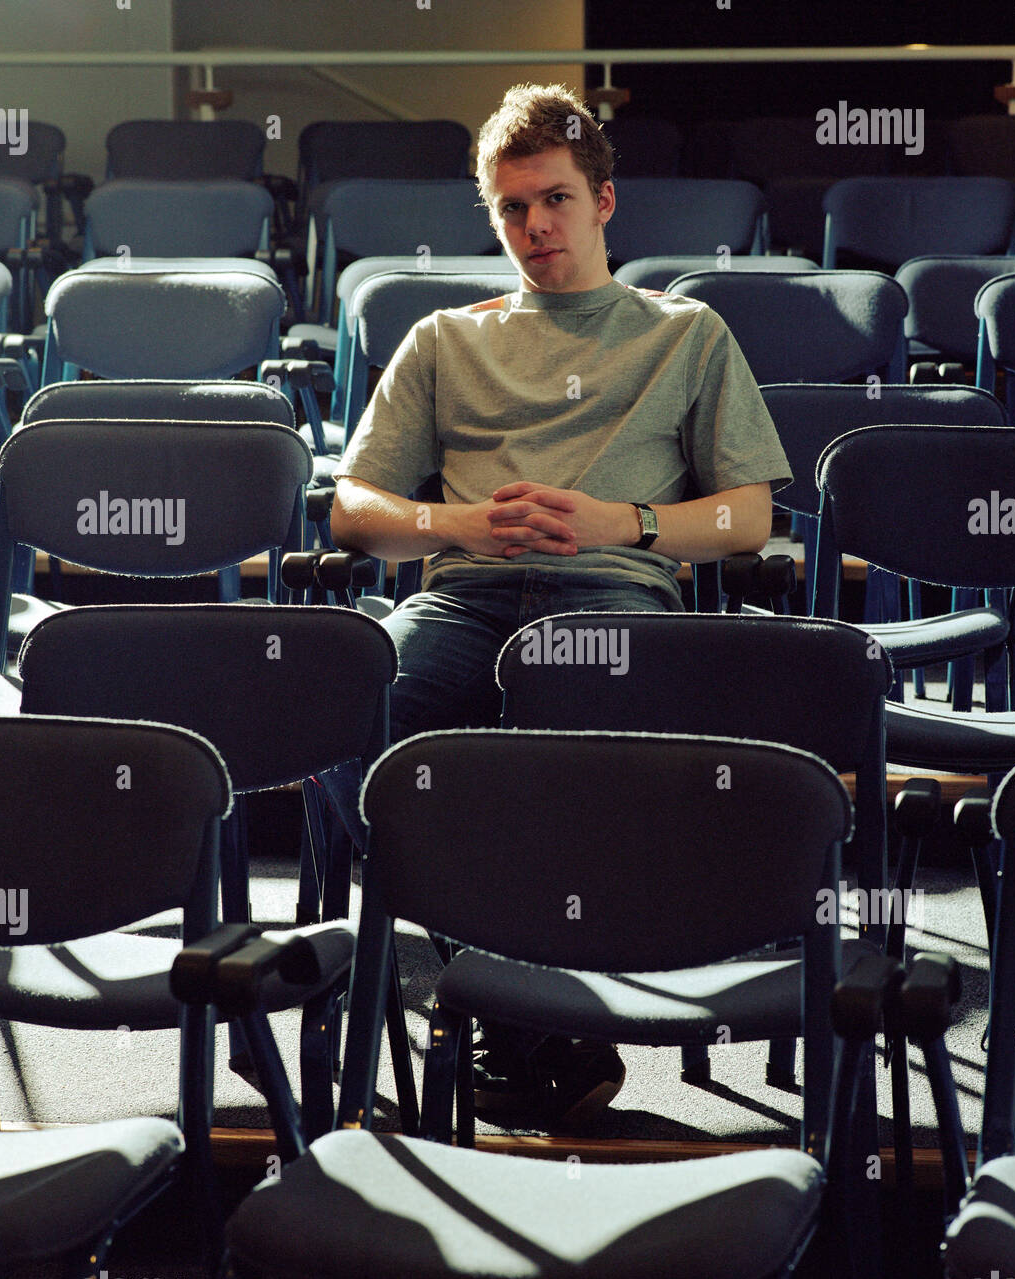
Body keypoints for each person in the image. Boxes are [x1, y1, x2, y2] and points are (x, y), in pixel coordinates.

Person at [321, 82, 792, 1129]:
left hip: (609, 597)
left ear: (604, 201)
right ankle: (523, 1001)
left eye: (555, 201)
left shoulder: (684, 333)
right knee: (363, 706)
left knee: (550, 740)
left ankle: (514, 999)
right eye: (511, 209)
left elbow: (749, 517)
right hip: (465, 599)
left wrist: (621, 521)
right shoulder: (446, 339)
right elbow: (356, 511)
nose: (533, 227)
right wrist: (460, 527)